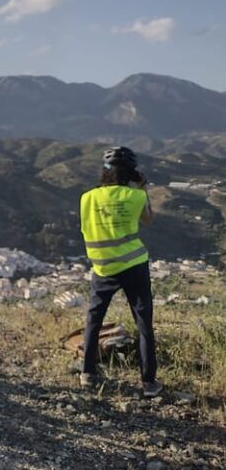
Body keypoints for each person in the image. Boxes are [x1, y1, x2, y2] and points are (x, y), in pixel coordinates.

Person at [79, 146, 161, 397]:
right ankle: (149, 383)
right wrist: (143, 187)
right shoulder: (134, 196)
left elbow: (86, 227)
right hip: (134, 265)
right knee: (143, 322)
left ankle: (87, 373)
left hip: (102, 266)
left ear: (105, 172)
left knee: (94, 319)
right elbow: (148, 220)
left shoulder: (87, 198)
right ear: (131, 173)